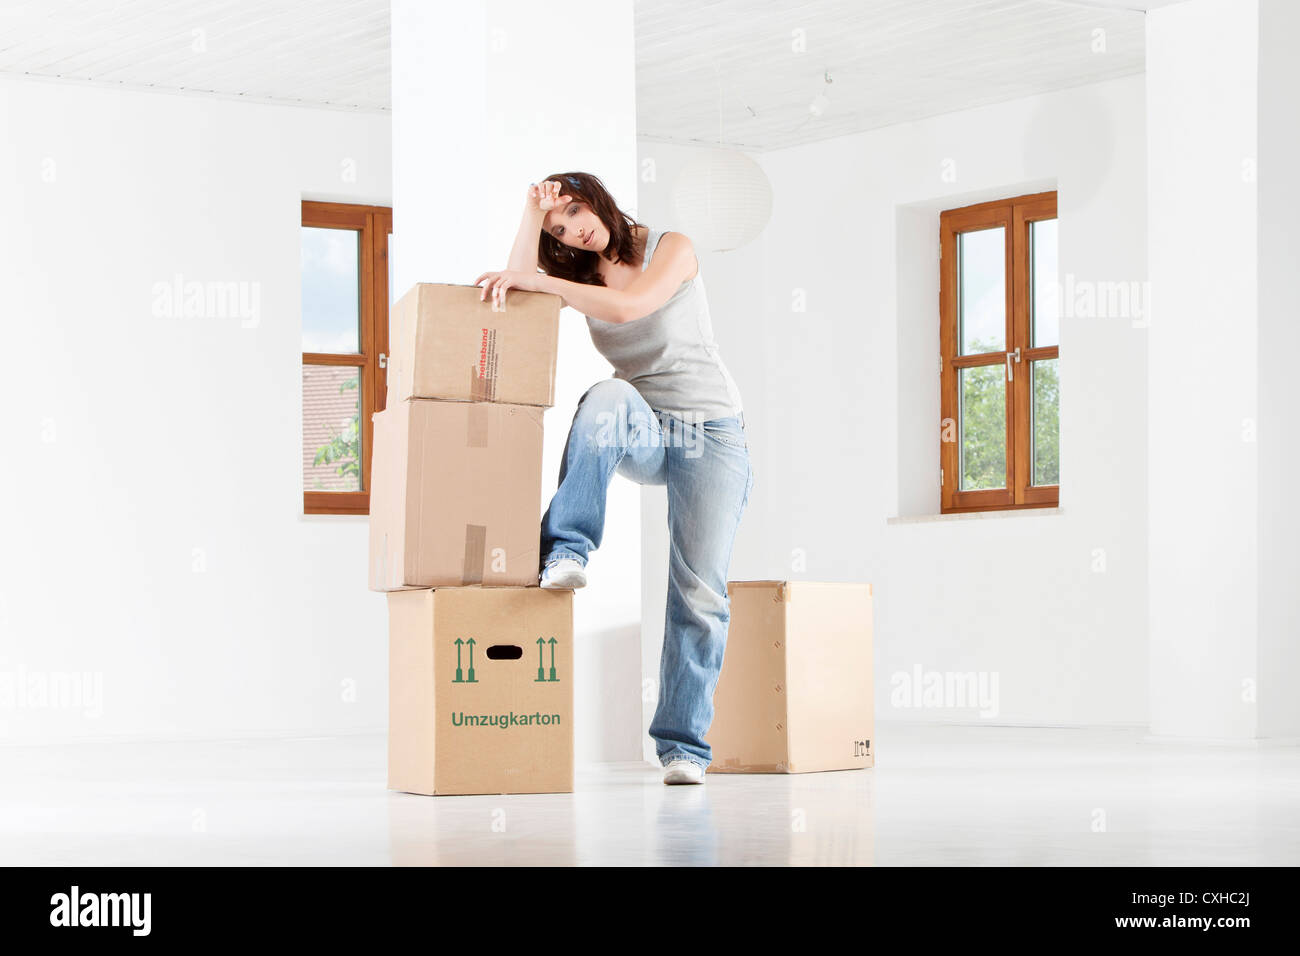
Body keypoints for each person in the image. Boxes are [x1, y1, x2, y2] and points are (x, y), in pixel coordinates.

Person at [474, 172, 753, 786]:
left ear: (596, 198)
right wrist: (530, 214)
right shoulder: (577, 276)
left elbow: (632, 308)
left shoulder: (670, 247)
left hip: (711, 435)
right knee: (605, 395)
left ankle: (683, 747)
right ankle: (567, 551)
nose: (574, 227)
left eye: (574, 210)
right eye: (560, 228)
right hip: (646, 427)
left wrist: (545, 278)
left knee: (699, 592)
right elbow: (517, 291)